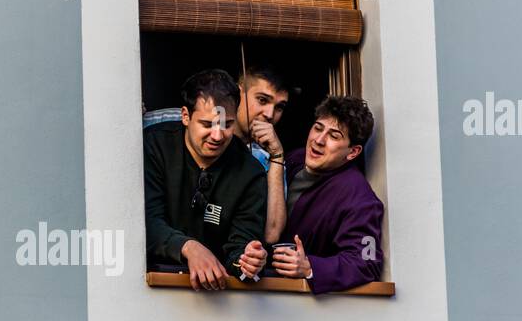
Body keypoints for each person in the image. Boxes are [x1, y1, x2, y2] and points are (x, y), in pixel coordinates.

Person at [144, 69, 267, 290]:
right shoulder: (153, 147)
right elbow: (144, 222)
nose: (218, 136)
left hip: (218, 296)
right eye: (208, 124)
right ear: (185, 116)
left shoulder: (251, 172)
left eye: (227, 124)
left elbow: (239, 246)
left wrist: (248, 262)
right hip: (151, 288)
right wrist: (189, 247)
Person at [145, 66, 291, 243]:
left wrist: (277, 156)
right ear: (238, 94)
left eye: (279, 107)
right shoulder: (164, 126)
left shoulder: (262, 159)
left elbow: (269, 235)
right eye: (262, 100)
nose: (269, 114)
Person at [270, 95, 384, 294]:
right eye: (318, 128)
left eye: (334, 136)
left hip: (301, 309)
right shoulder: (291, 159)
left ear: (353, 152)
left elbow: (367, 262)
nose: (319, 140)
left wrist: (309, 267)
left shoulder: (359, 197)